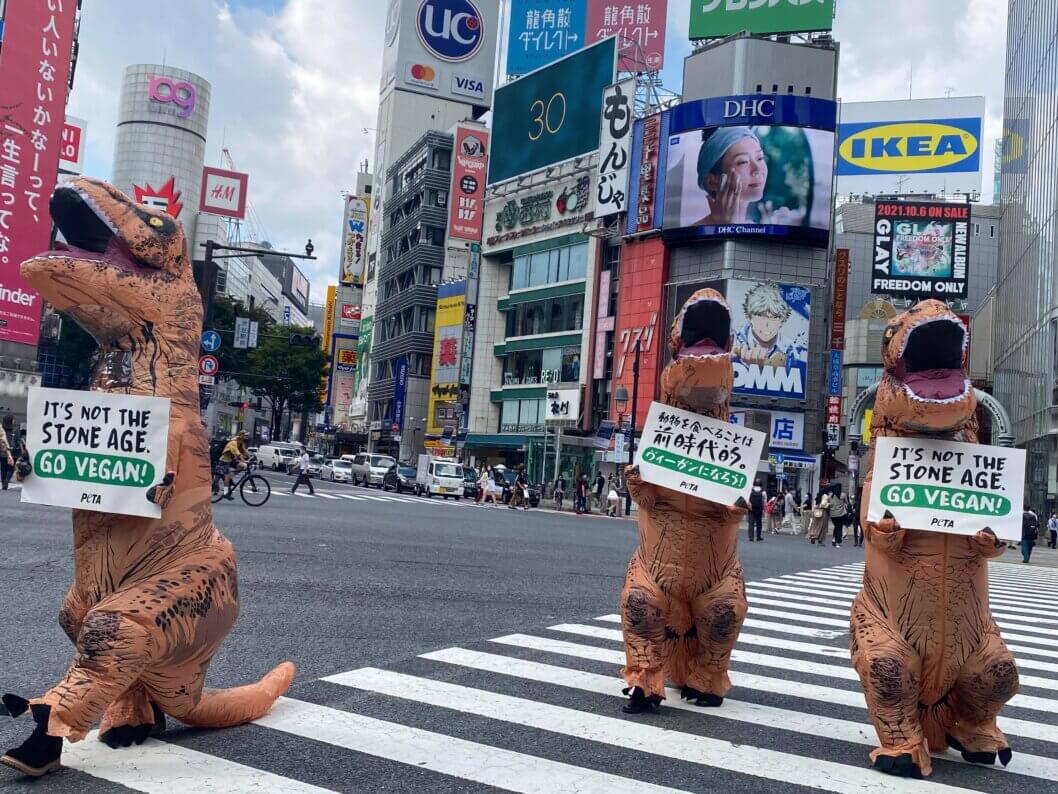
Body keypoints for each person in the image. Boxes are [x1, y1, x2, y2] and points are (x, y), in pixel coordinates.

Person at [693, 126, 768, 226]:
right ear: (712, 182)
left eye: (760, 158)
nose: (757, 170)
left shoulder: (753, 227)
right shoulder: (695, 234)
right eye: (743, 162)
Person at [218, 431, 250, 500]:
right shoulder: (233, 442)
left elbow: (244, 451)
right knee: (227, 475)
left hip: (231, 460)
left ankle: (231, 478)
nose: (246, 438)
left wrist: (250, 458)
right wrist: (244, 460)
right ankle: (225, 493)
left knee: (243, 466)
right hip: (224, 461)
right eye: (244, 436)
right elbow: (237, 453)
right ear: (240, 436)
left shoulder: (240, 443)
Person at [0, 415, 14, 491]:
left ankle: (3, 483)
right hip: (10, 452)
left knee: (3, 468)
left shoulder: (2, 429)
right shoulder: (12, 430)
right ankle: (7, 479)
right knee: (11, 467)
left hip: (2, 452)